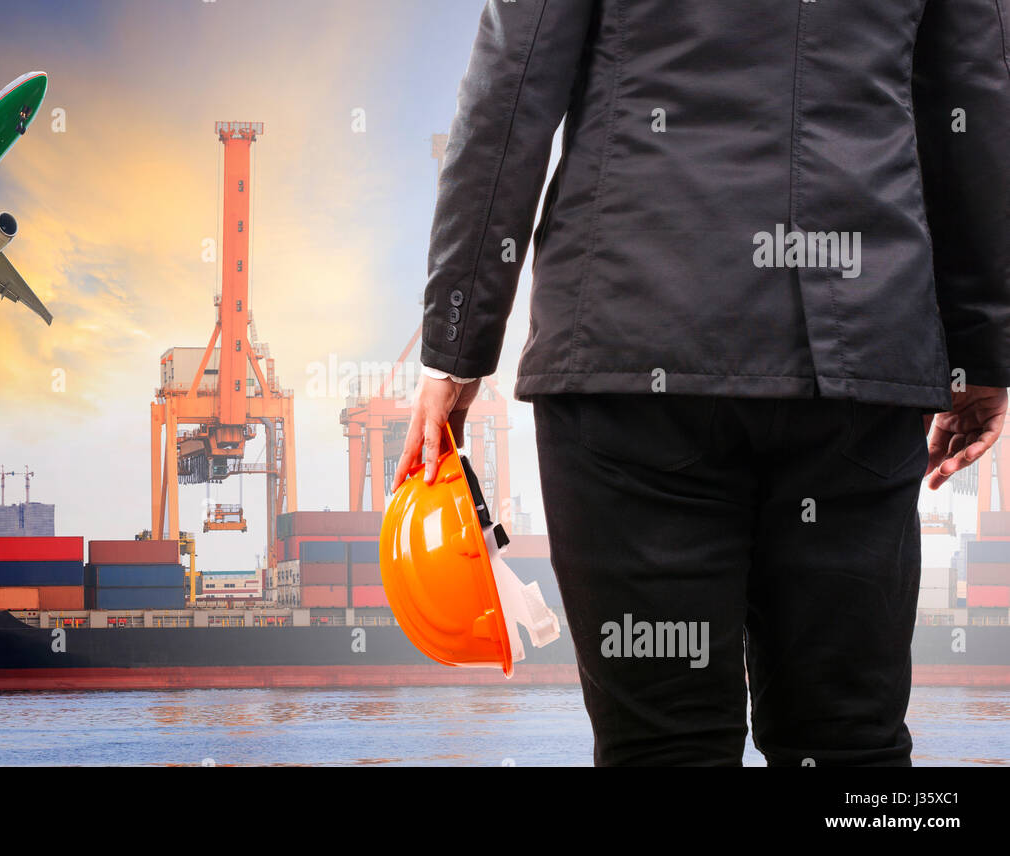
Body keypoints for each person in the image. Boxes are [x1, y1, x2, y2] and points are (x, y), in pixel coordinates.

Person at [394, 0, 1010, 766]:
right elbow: (973, 103)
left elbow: (509, 91)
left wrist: (456, 350)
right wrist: (981, 352)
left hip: (630, 350)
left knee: (664, 747)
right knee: (849, 744)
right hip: (854, 357)